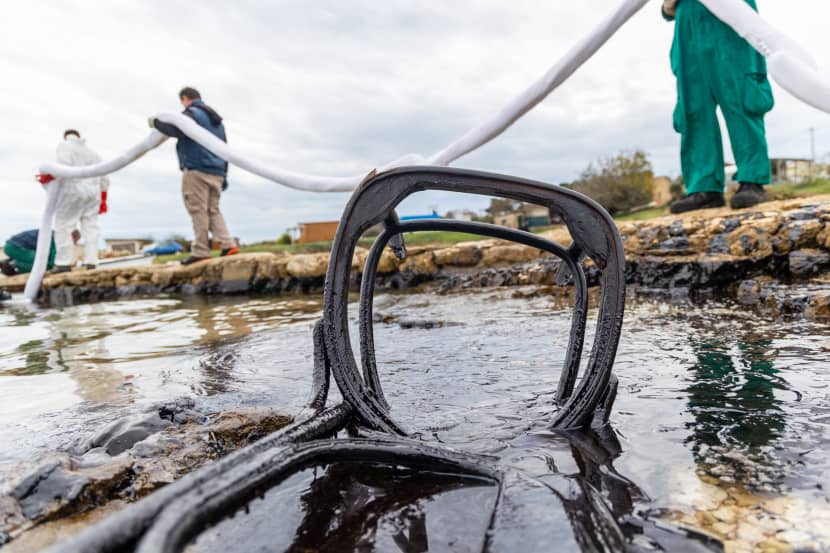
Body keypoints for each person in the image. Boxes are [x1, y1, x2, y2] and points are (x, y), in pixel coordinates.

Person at [663, 0, 774, 214]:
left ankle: (753, 180)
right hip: (688, 24)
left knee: (742, 96)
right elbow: (667, 9)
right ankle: (704, 188)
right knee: (693, 108)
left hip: (731, 18)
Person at [149, 87, 238, 265]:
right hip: (217, 170)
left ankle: (201, 251)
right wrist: (224, 173)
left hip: (197, 169)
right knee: (213, 210)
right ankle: (228, 245)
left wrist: (156, 123)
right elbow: (224, 147)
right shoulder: (216, 121)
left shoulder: (191, 114)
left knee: (198, 210)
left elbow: (179, 130)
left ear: (185, 98)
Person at [53, 130, 109, 271]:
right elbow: (105, 177)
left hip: (73, 189)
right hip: (93, 193)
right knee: (91, 227)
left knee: (64, 226)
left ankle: (63, 263)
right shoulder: (93, 153)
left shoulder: (64, 146)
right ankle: (91, 261)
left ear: (66, 136)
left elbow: (61, 167)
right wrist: (103, 199)